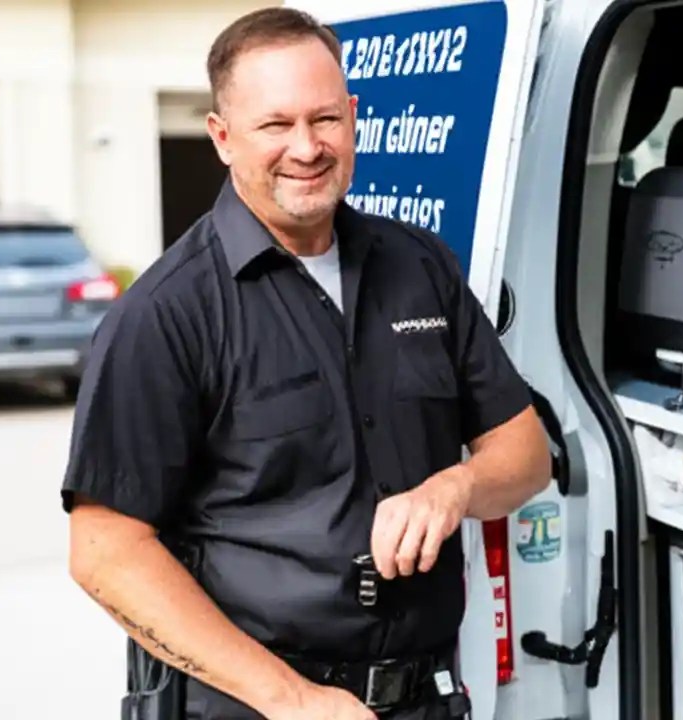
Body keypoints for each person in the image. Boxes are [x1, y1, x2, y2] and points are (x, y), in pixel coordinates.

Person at [60, 7, 551, 720]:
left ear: (354, 117)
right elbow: (106, 552)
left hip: (426, 698)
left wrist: (456, 486)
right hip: (258, 705)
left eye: (325, 119)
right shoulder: (166, 314)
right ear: (223, 138)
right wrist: (292, 700)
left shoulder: (421, 268)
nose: (307, 147)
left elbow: (527, 456)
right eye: (275, 125)